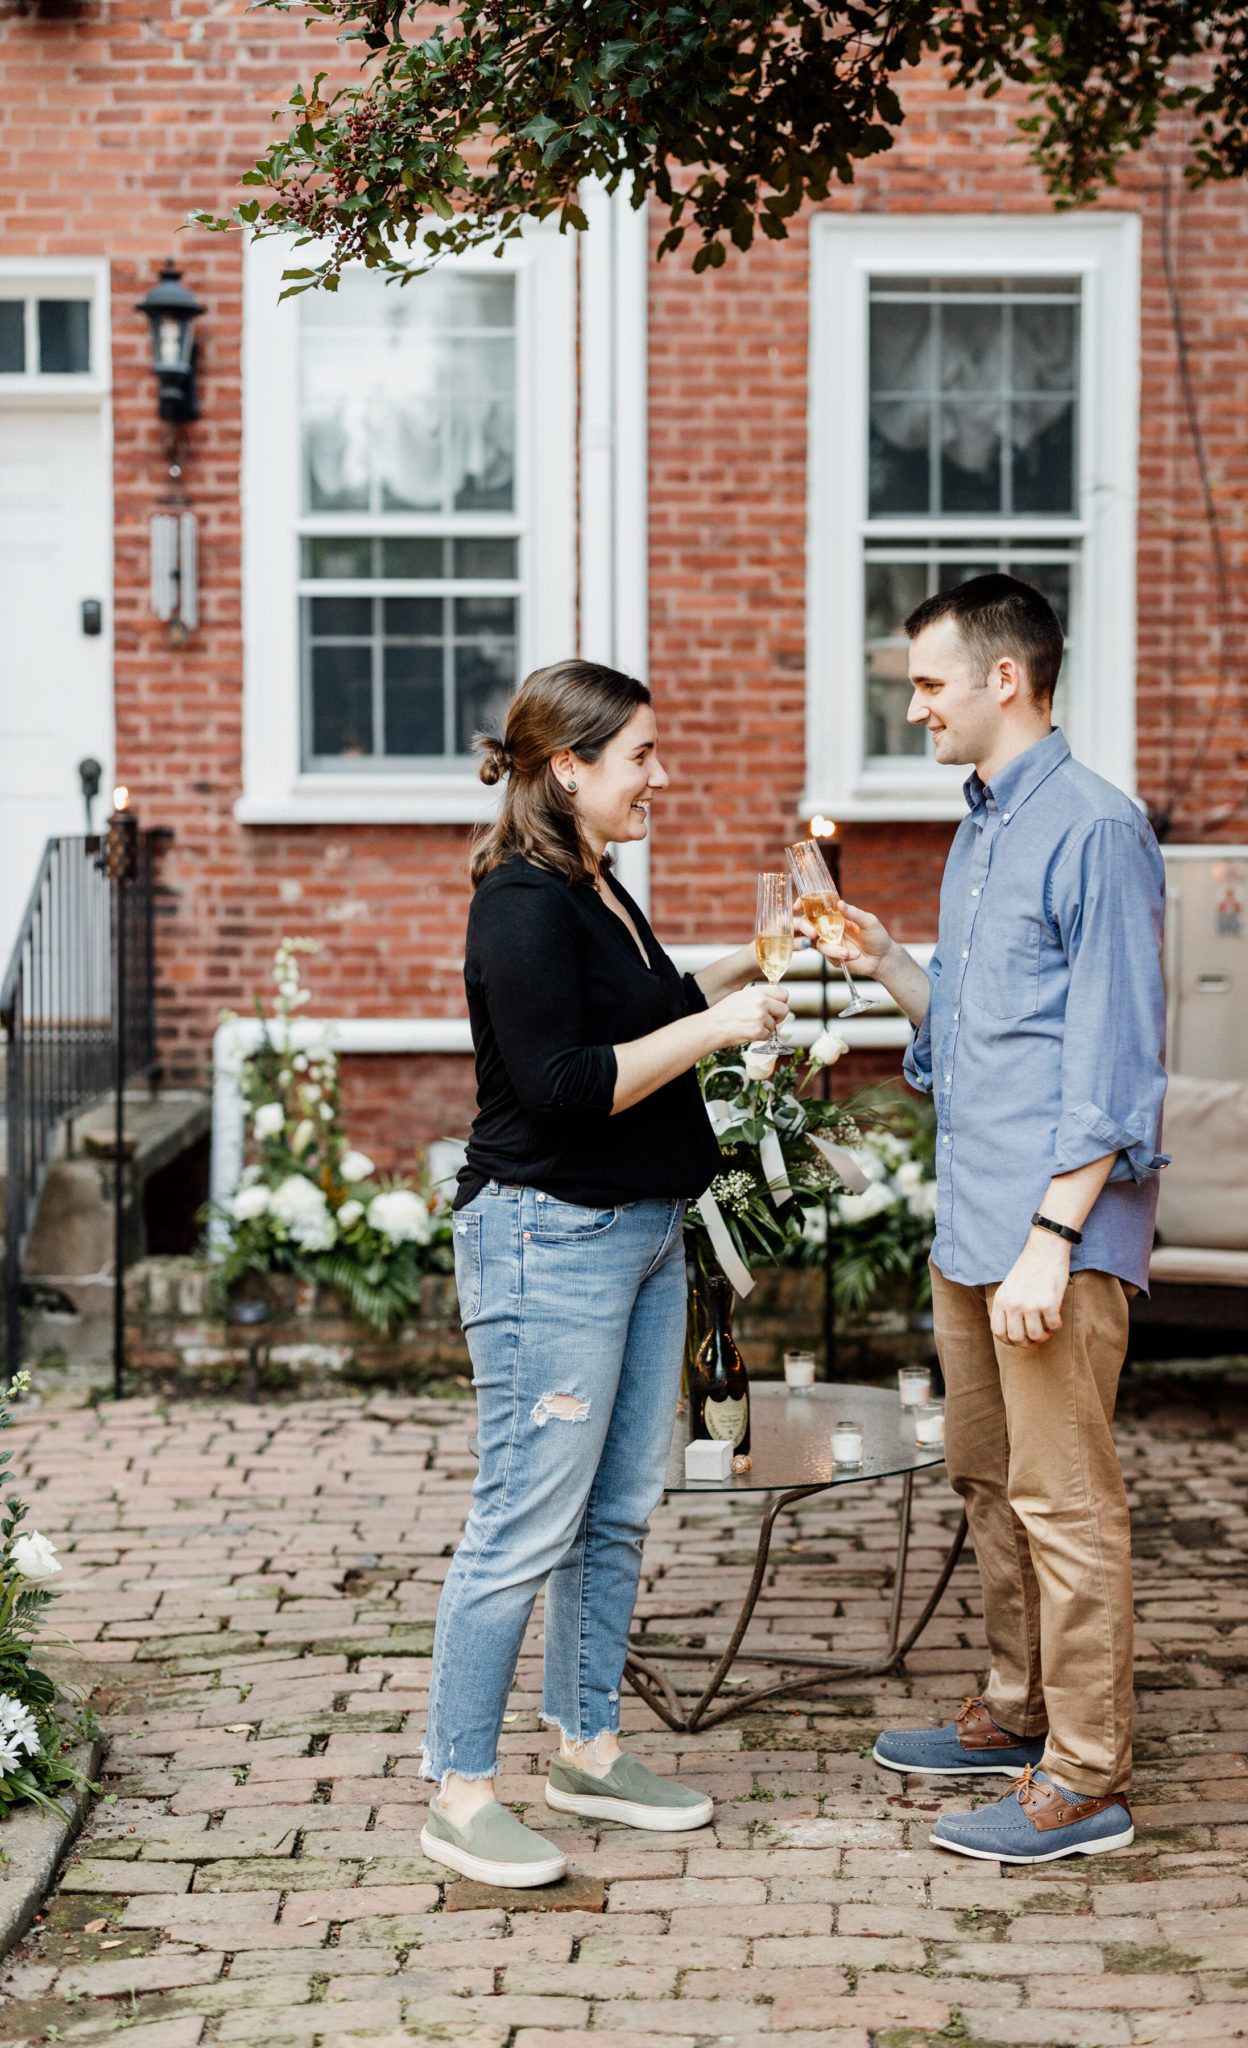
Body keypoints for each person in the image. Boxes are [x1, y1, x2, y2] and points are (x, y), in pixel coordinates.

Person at [810, 575, 1167, 1865]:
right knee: (987, 1479)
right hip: (974, 1231)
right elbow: (977, 1029)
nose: (914, 710)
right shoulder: (980, 830)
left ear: (1003, 680)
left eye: (927, 684)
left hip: (1047, 1243)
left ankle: (1086, 1774)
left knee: (1068, 1502)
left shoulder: (1096, 829)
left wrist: (1054, 1238)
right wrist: (890, 961)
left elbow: (1117, 1064)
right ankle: (1021, 1709)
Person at [420, 658, 788, 1888]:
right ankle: (460, 1790)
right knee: (523, 1517)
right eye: (640, 756)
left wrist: (746, 965)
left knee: (619, 1505)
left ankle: (586, 1744)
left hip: (636, 1232)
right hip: (548, 1237)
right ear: (569, 767)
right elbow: (569, 1083)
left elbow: (650, 1008)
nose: (660, 776)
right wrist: (714, 1031)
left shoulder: (598, 884)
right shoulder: (519, 900)